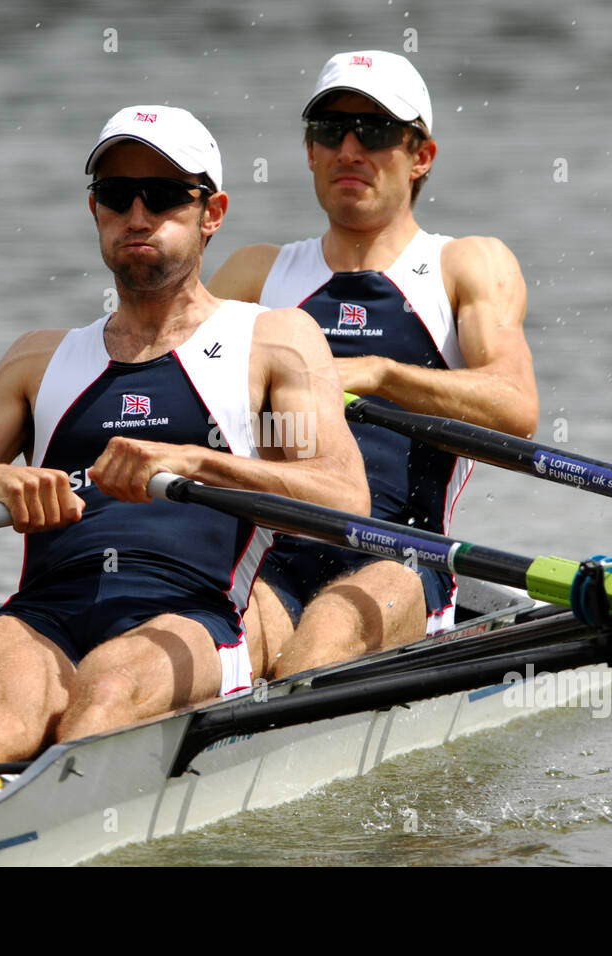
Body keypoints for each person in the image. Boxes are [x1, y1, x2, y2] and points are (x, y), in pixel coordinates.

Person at [0, 105, 367, 762]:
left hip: (193, 619)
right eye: (118, 196)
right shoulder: (36, 358)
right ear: (95, 212)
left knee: (107, 696)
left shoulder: (274, 340)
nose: (138, 216)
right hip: (41, 617)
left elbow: (343, 503)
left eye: (166, 196)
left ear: (213, 213)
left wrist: (194, 465)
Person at [208, 51, 538, 678]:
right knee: (199, 639)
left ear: (422, 156)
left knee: (327, 635)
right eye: (331, 131)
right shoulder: (256, 274)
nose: (350, 149)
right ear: (310, 151)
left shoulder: (464, 265)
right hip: (268, 560)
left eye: (377, 131)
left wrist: (379, 375)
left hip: (402, 563)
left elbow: (517, 409)